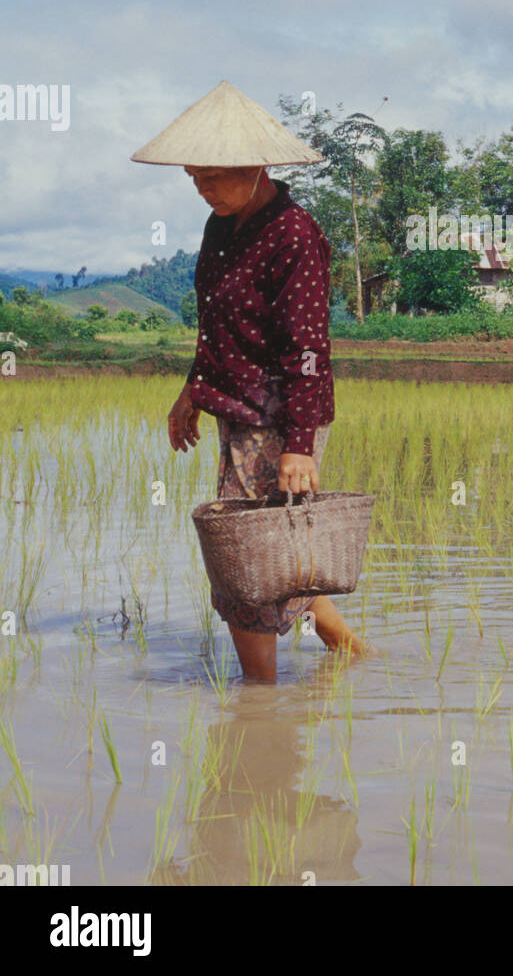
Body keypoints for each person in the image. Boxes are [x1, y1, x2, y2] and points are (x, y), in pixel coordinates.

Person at [131, 80, 369, 680]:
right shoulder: (223, 226)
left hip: (278, 417)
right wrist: (191, 391)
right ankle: (348, 653)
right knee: (278, 544)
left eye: (212, 176)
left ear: (257, 167)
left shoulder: (294, 234)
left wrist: (298, 443)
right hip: (235, 407)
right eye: (193, 178)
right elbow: (217, 320)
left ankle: (258, 700)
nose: (202, 189)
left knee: (246, 560)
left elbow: (308, 347)